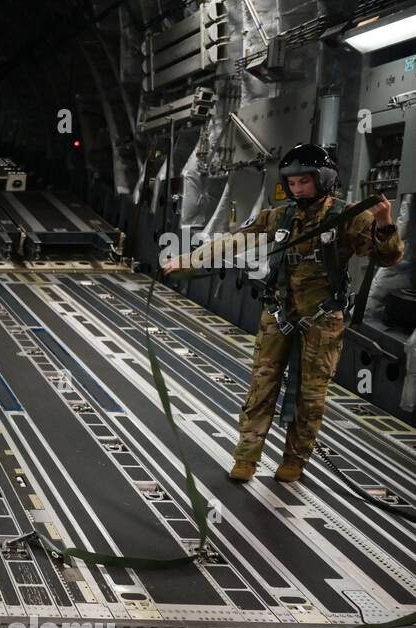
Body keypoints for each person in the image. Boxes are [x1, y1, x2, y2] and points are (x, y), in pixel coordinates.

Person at [163, 143, 402, 483]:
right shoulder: (281, 217)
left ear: (323, 179)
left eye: (304, 181)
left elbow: (388, 257)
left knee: (310, 395)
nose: (297, 188)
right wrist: (189, 260)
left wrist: (383, 221)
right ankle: (246, 458)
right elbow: (239, 240)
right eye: (292, 183)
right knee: (261, 387)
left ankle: (294, 460)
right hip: (279, 315)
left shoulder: (349, 217)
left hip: (323, 320)